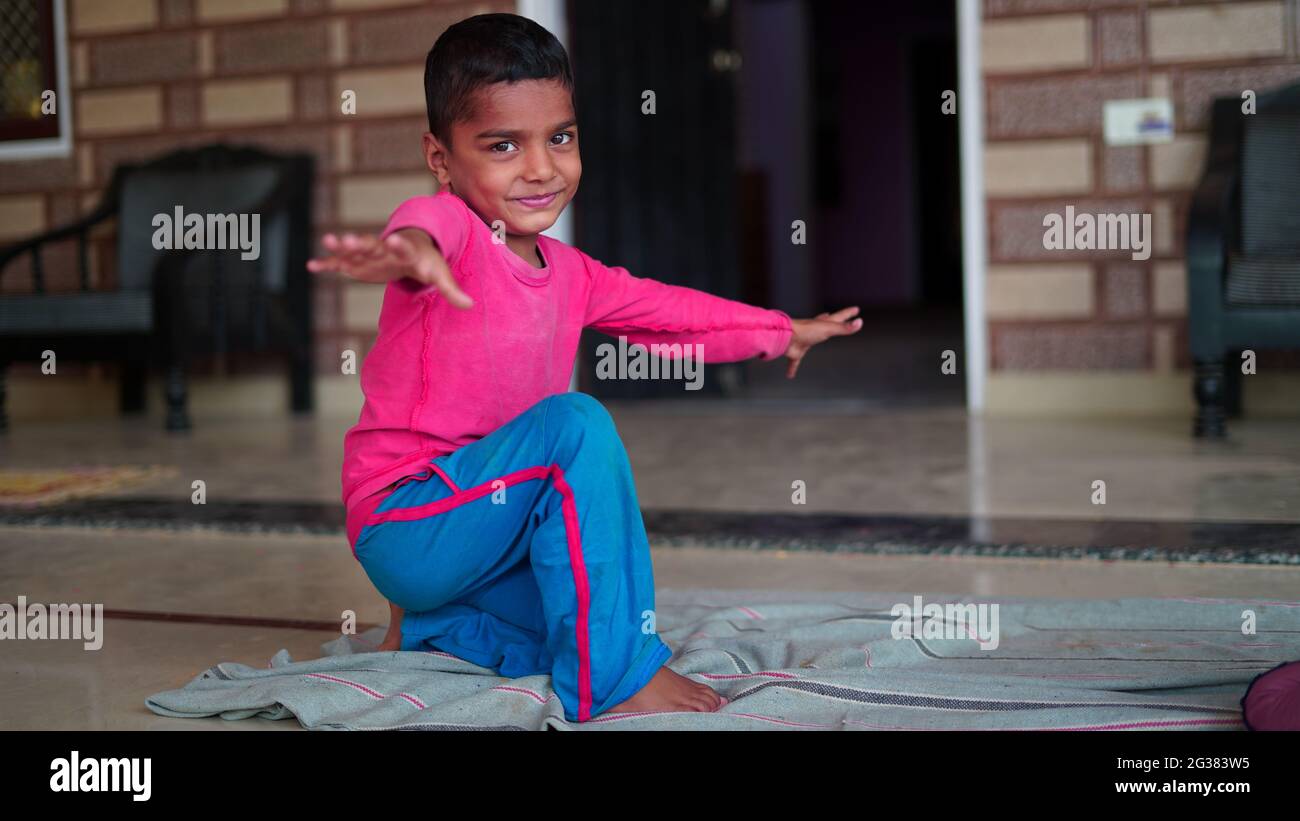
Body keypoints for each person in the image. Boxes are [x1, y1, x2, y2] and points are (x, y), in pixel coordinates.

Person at [308, 12, 861, 722]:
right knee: (577, 424)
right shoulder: (452, 234)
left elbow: (669, 313)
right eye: (502, 145)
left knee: (573, 610)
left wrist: (780, 331)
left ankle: (428, 626)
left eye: (559, 138)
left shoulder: (572, 273)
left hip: (477, 533)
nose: (540, 167)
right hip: (409, 523)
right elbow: (425, 226)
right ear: (442, 159)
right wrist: (408, 248)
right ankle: (613, 683)